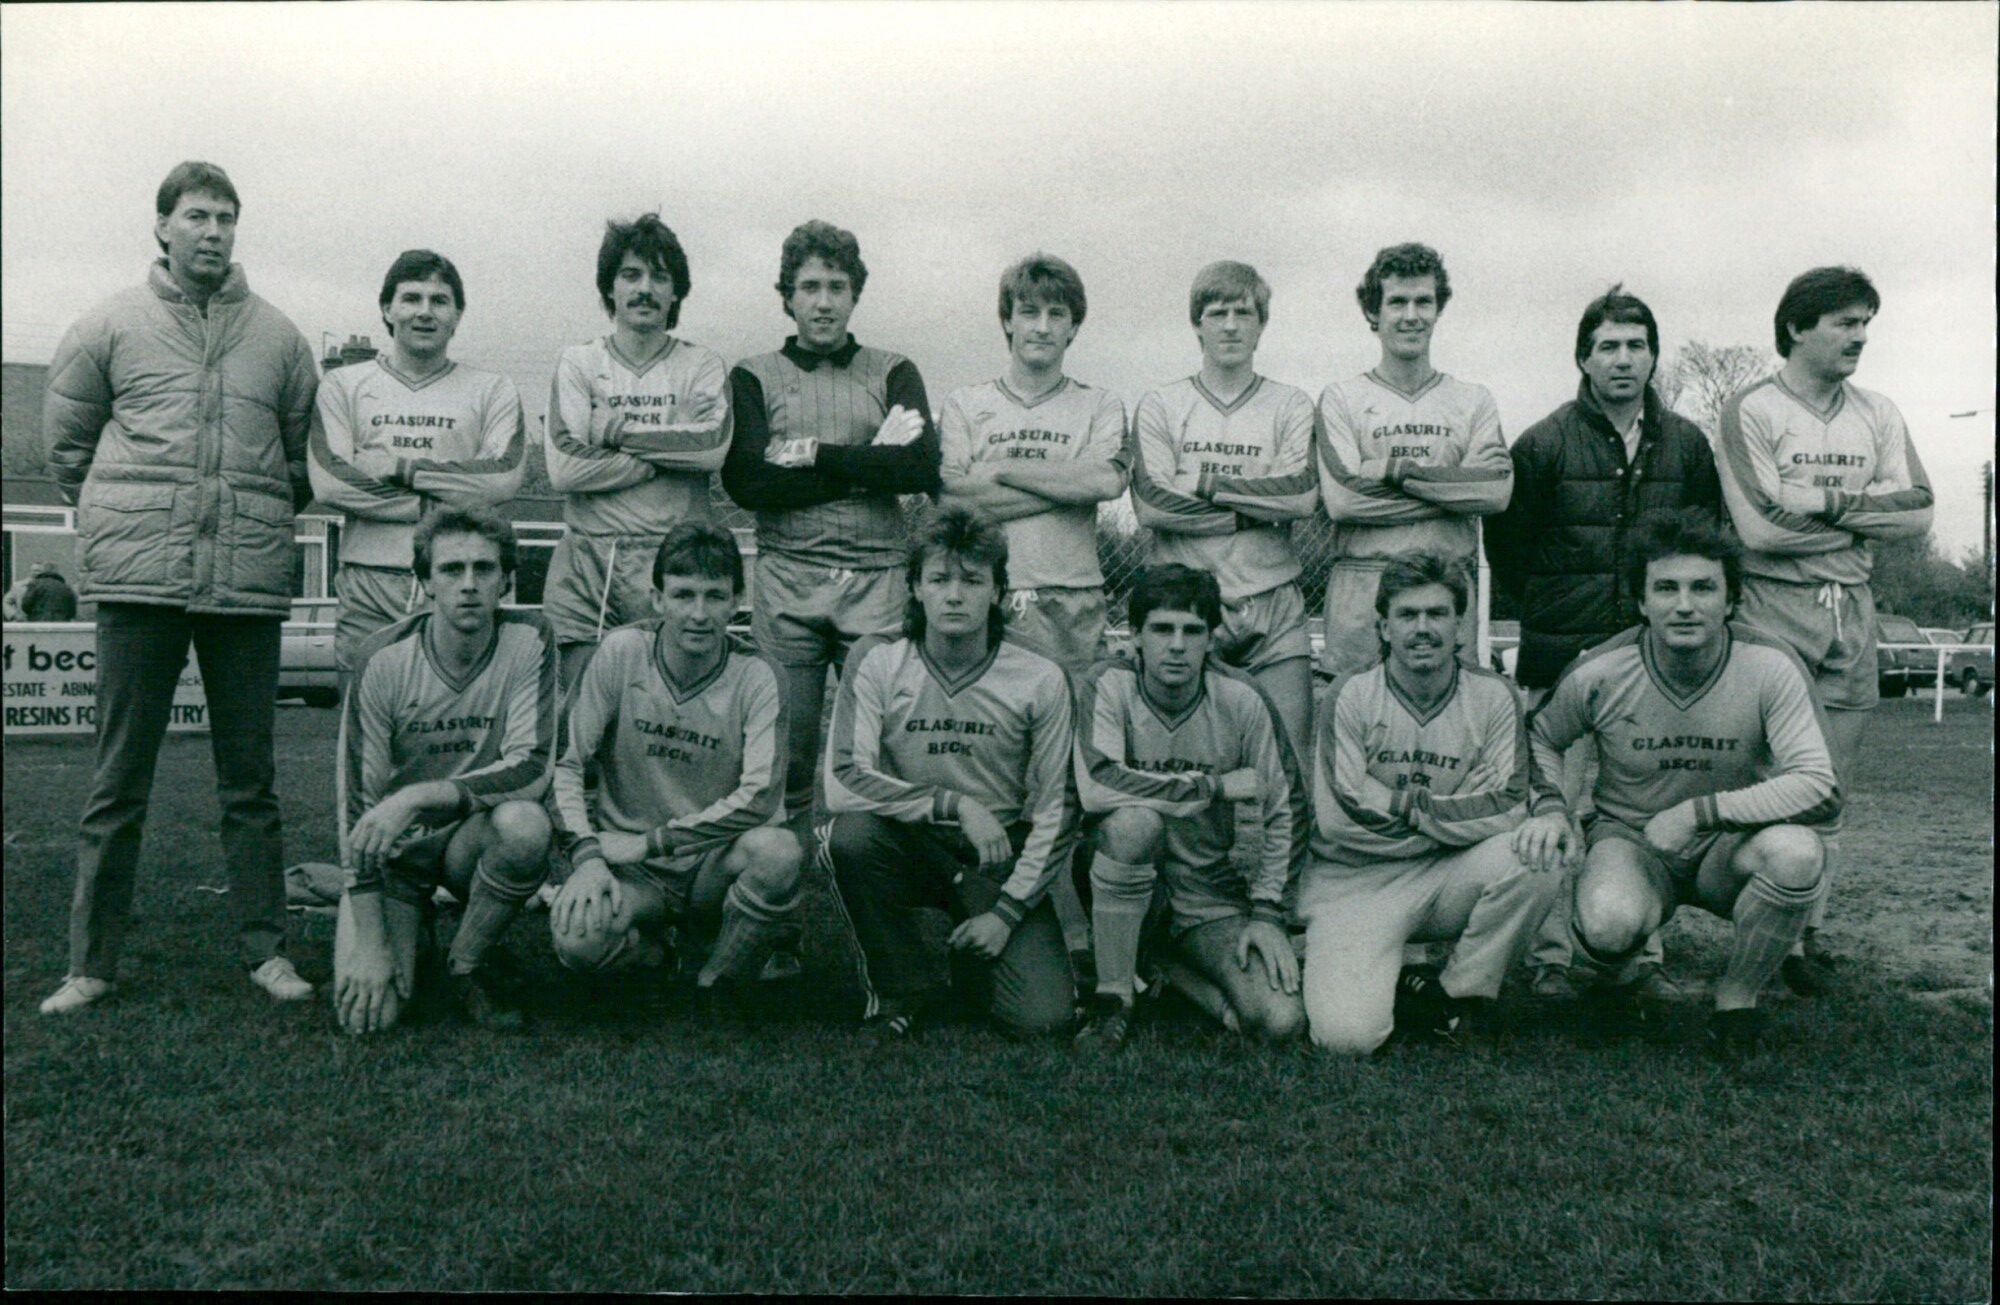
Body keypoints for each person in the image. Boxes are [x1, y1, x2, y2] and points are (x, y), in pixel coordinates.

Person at [39, 161, 320, 1015]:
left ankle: (267, 951)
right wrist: (138, 519)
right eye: (197, 215)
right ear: (162, 225)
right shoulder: (106, 325)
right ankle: (92, 963)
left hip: (244, 587)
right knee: (118, 781)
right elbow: (68, 452)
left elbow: (301, 463)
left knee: (251, 783)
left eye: (226, 217)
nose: (214, 231)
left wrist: (243, 523)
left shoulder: (280, 337)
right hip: (139, 586)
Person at [1514, 516, 1838, 1064]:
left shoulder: (1771, 665)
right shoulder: (1601, 668)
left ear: (1731, 599)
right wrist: (1549, 807)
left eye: (1703, 588)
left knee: (1798, 854)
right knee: (1608, 922)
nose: (1684, 605)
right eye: (1666, 588)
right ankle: (1617, 982)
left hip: (1729, 846)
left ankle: (1737, 1001)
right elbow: (1537, 738)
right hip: (1633, 840)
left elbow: (1821, 788)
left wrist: (1700, 813)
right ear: (1641, 602)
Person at [1484, 285, 1724, 1003]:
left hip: (1653, 665)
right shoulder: (1543, 443)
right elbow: (1510, 551)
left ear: (1653, 356)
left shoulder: (1686, 444)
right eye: (1608, 346)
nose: (1623, 359)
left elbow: (1703, 542)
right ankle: (1552, 958)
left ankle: (1639, 955)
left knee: (1641, 806)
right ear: (1583, 358)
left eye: (1637, 345)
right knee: (1551, 805)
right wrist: (1559, 612)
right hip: (1562, 655)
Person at [720, 219, 941, 977]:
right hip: (787, 576)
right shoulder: (753, 375)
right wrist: (865, 462)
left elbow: (919, 467)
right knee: (783, 758)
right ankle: (776, 927)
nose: (823, 301)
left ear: (856, 294)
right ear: (787, 296)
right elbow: (750, 481)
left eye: (836, 287)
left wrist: (812, 456)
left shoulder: (894, 369)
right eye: (809, 287)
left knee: (885, 756)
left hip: (877, 576)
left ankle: (896, 928)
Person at [1714, 267, 1932, 995]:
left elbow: (1920, 513)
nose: (1860, 337)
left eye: (1866, 323)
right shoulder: (1752, 408)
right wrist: (1864, 515)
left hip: (1853, 608)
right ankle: (1754, 927)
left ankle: (1805, 938)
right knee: (1764, 779)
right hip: (1771, 607)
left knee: (1831, 788)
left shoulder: (1879, 411)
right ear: (1797, 327)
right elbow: (1760, 529)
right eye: (1845, 322)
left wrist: (1823, 503)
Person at [938, 252, 1129, 963]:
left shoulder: (1098, 403)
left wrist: (1004, 471)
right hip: (988, 600)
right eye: (1029, 312)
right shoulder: (967, 403)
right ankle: (1000, 905)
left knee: (1067, 769)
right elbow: (954, 496)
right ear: (1007, 321)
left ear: (1073, 327)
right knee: (993, 764)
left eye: (1057, 313)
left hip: (1070, 597)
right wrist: (1056, 484)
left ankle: (1071, 922)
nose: (1042, 326)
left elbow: (1102, 483)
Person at [822, 506, 1076, 1039]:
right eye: (939, 579)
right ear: (915, 588)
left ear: (998, 591)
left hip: (995, 851)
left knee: (1042, 1019)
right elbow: (843, 780)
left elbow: (1060, 807)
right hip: (908, 840)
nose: (954, 595)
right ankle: (902, 989)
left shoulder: (1040, 673)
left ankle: (973, 958)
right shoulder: (877, 656)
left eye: (972, 581)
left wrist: (1006, 914)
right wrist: (954, 804)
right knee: (850, 837)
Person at [1300, 553, 1557, 1055]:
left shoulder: (1494, 695)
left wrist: (1402, 804)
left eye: (1437, 613)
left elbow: (1510, 807)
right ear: (1384, 627)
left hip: (1446, 873)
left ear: (1459, 624)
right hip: (1357, 880)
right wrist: (1460, 807)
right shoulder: (1350, 695)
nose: (1423, 628)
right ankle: (1383, 974)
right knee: (1346, 1039)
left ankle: (1459, 995)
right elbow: (1338, 820)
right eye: (1407, 615)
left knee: (1538, 854)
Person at [547, 524, 802, 1011]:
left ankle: (716, 979)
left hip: (710, 867)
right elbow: (564, 761)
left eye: (715, 596)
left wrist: (655, 841)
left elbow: (761, 798)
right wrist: (588, 858)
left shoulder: (759, 675)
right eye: (683, 595)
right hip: (633, 870)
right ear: (657, 598)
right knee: (576, 940)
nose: (699, 614)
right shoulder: (621, 651)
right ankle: (659, 957)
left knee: (779, 851)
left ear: (737, 602)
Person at [331, 508, 557, 1034]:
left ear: (507, 580)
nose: (469, 584)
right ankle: (411, 932)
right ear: (426, 582)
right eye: (452, 569)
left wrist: (416, 797)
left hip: (468, 841)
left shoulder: (531, 637)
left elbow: (531, 768)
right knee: (370, 1019)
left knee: (525, 826)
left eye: (484, 568)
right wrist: (371, 943)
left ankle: (467, 963)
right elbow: (356, 806)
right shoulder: (382, 657)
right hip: (396, 853)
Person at [1070, 564, 1310, 1051]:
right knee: (1134, 824)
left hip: (1205, 889)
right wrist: (1212, 787)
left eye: (1193, 630)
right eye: (1162, 629)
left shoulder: (1242, 696)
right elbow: (1098, 785)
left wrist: (1268, 912)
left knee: (1279, 1022)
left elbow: (1289, 808)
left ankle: (1162, 967)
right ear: (1135, 635)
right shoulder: (1108, 682)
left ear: (1211, 638)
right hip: (1119, 870)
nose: (1177, 645)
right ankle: (1114, 998)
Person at [1129, 262, 1319, 756]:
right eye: (1217, 314)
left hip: (1270, 603)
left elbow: (1300, 497)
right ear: (1197, 324)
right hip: (1184, 603)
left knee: (1289, 762)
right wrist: (1255, 508)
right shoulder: (1162, 404)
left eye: (1244, 313)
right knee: (1181, 763)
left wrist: (1203, 484)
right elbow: (1152, 505)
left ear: (1262, 323)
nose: (1231, 325)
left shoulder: (1291, 404)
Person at [308, 249, 528, 675]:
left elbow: (502, 479)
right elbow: (331, 483)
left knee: (459, 711)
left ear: (458, 315)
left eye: (439, 301)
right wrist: (453, 496)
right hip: (368, 579)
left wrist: (398, 469)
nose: (425, 312)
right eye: (411, 299)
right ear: (387, 309)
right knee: (366, 714)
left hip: (459, 579)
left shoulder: (492, 389)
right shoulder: (343, 385)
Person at [543, 214, 733, 690]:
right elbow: (565, 467)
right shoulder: (579, 361)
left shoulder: (702, 364)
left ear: (676, 292)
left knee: (662, 711)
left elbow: (711, 447)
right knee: (581, 715)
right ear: (609, 288)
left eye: (659, 277)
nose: (644, 289)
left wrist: (612, 430)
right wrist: (665, 451)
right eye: (631, 275)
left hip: (673, 560)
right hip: (587, 559)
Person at [1315, 243, 1512, 681]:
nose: (1411, 315)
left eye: (1424, 301)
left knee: (1452, 719)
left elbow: (1495, 491)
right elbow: (1344, 500)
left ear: (1438, 309)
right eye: (1397, 302)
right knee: (1356, 716)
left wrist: (1389, 472)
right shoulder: (1342, 398)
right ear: (1374, 311)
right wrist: (1454, 492)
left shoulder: (1473, 400)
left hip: (1447, 591)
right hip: (1363, 592)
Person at [7, 563, 80, 622]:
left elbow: (26, 605)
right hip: (61, 623)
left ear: (43, 571)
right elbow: (72, 610)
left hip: (38, 621)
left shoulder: (35, 584)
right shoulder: (66, 587)